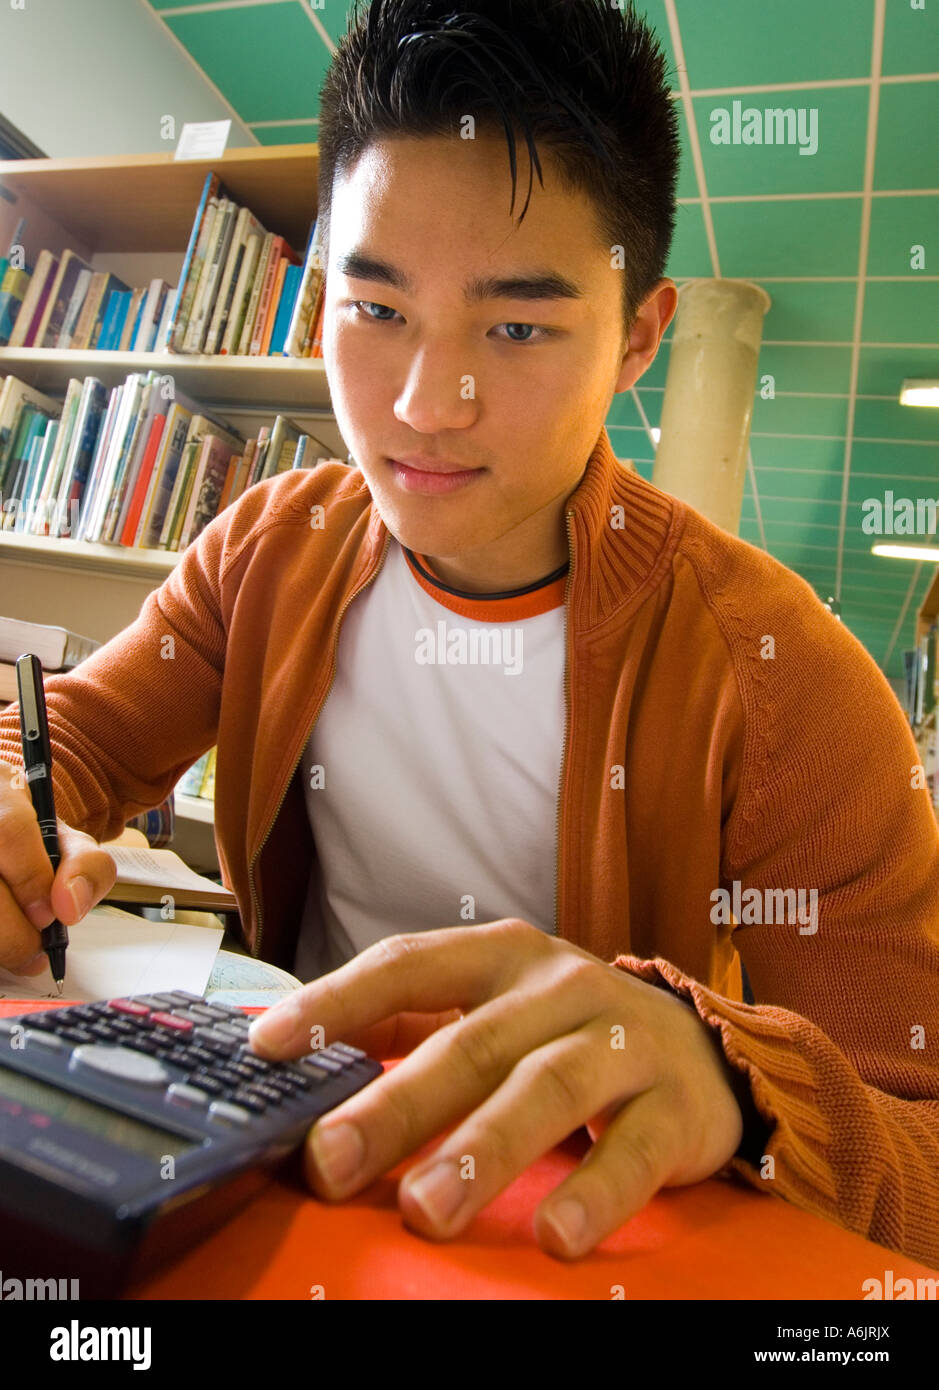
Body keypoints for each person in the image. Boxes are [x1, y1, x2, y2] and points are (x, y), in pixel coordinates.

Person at [1, 0, 937, 1270]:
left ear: (638, 338)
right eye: (374, 308)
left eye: (516, 326)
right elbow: (71, 744)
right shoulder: (264, 548)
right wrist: (16, 806)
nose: (421, 405)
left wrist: (730, 1068)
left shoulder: (787, 678)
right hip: (273, 1188)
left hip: (575, 1238)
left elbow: (920, 1142)